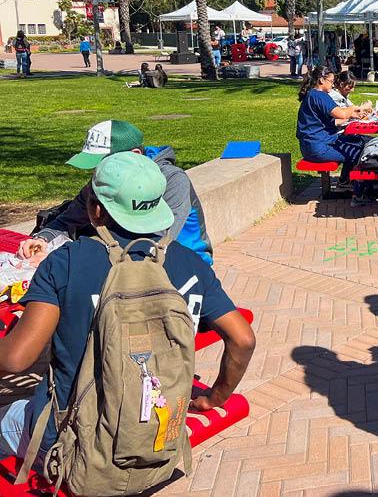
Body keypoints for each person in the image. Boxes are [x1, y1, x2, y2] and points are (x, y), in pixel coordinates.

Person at [0, 152, 256, 470]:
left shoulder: (66, 262)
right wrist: (214, 397)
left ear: (95, 209)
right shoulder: (190, 264)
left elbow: (15, 359)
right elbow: (243, 338)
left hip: (75, 440)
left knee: (7, 417)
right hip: (159, 429)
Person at [17, 120, 214, 264]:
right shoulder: (106, 180)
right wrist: (41, 240)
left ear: (134, 154)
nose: (96, 172)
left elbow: (156, 242)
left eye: (101, 163)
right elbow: (66, 220)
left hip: (184, 261)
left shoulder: (172, 180)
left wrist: (65, 258)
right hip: (125, 258)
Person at [296, 65, 372, 205]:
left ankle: (347, 182)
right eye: (331, 81)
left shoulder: (313, 95)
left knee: (360, 141)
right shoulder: (319, 95)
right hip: (317, 147)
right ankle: (358, 193)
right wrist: (356, 108)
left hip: (316, 143)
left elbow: (335, 119)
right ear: (321, 80)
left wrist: (354, 114)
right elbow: (342, 113)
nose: (333, 84)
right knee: (361, 154)